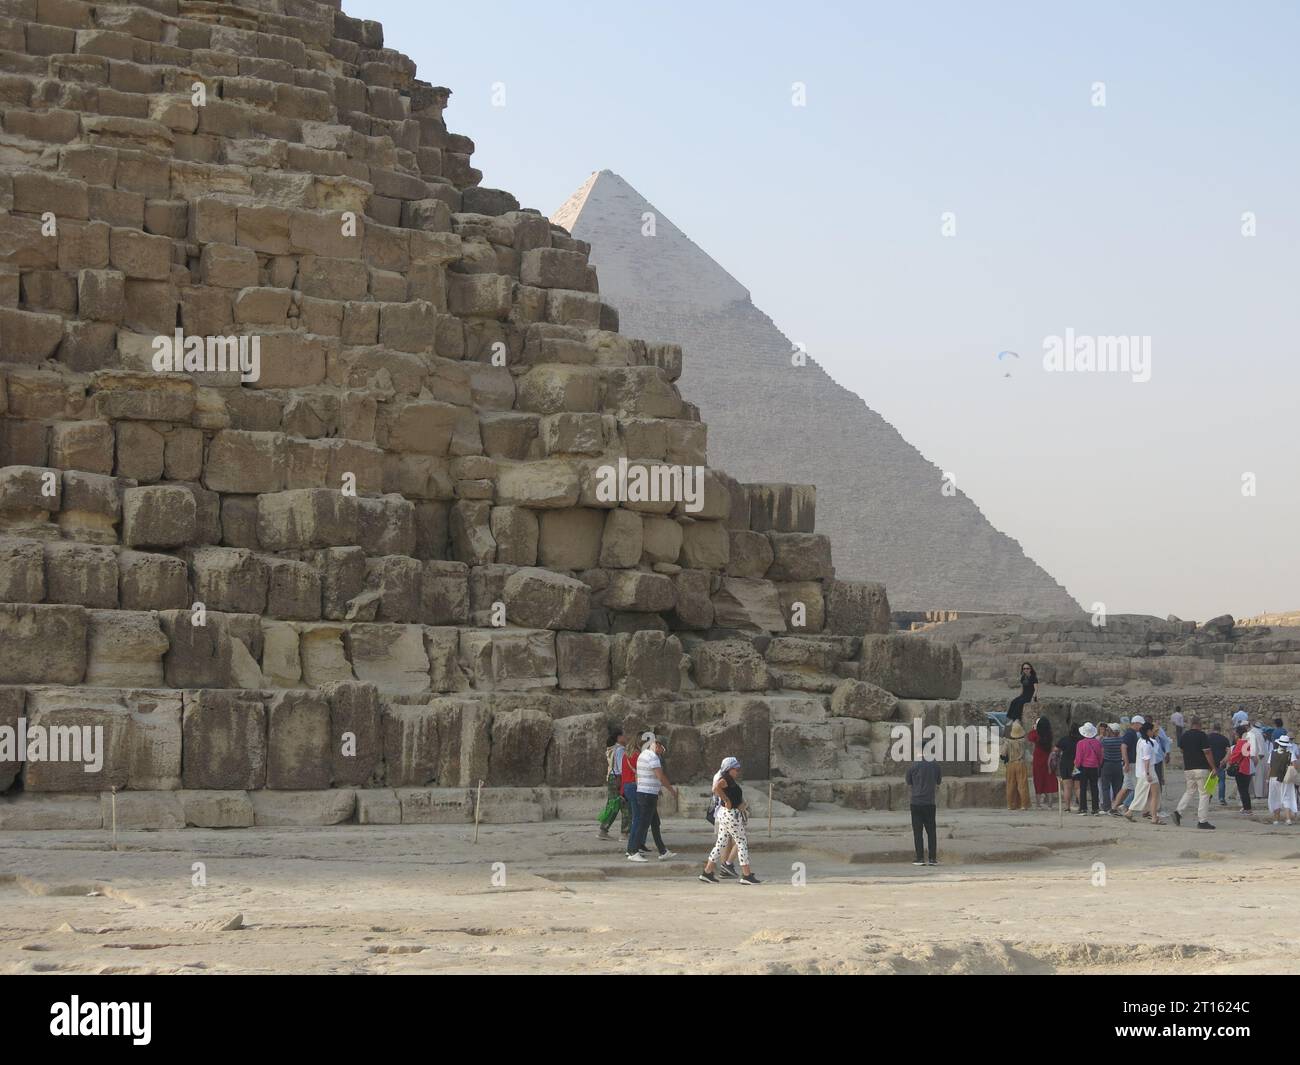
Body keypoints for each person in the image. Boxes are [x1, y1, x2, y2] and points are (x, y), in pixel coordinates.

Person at [699, 757, 761, 884]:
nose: (738, 771)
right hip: (730, 815)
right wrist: (726, 800)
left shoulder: (729, 779)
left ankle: (707, 872)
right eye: (736, 768)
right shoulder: (726, 778)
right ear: (729, 769)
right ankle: (746, 875)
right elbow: (716, 788)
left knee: (721, 843)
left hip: (726, 815)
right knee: (741, 842)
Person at [626, 734, 678, 862]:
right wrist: (671, 790)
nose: (662, 752)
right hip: (648, 795)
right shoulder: (653, 757)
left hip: (646, 792)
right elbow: (660, 776)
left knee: (655, 823)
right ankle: (633, 851)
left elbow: (639, 776)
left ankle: (663, 850)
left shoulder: (643, 755)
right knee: (642, 824)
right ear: (658, 745)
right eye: (663, 749)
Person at [1173, 715, 1215, 830]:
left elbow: (1182, 750)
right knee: (1204, 794)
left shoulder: (1184, 735)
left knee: (1189, 791)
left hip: (1188, 769)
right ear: (1199, 724)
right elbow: (1207, 752)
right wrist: (1213, 767)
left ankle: (1178, 812)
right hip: (1201, 768)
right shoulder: (1202, 735)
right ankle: (1202, 821)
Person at [905, 754, 942, 865]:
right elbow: (938, 781)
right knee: (931, 832)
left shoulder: (913, 765)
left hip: (916, 802)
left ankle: (920, 858)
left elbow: (909, 782)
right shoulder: (935, 765)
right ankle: (932, 859)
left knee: (918, 832)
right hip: (929, 802)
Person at [1125, 720, 1165, 825]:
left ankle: (1131, 811)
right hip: (1148, 771)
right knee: (1155, 794)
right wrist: (1148, 774)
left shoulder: (1141, 741)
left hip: (1142, 771)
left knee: (1144, 793)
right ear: (1148, 731)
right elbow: (1147, 759)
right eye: (1152, 731)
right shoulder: (1147, 744)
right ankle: (1153, 817)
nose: (1153, 732)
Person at [598, 728, 628, 840]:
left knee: (613, 804)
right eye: (624, 736)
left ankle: (603, 830)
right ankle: (625, 833)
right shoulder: (620, 750)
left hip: (611, 778)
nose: (626, 738)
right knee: (625, 804)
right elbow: (621, 768)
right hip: (618, 778)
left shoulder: (611, 749)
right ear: (619, 738)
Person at [1110, 716, 1143, 816]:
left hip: (1130, 763)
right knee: (1138, 788)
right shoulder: (1130, 734)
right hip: (1131, 763)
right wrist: (1127, 762)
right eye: (1141, 725)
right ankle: (1125, 805)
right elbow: (1123, 747)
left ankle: (1114, 807)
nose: (1141, 727)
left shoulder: (1131, 733)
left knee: (1125, 787)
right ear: (1136, 723)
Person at [1026, 716, 1057, 809]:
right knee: (1049, 780)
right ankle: (1050, 804)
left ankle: (1038, 804)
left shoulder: (1036, 735)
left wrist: (1034, 729)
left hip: (1038, 759)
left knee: (1038, 781)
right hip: (1048, 760)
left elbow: (1029, 737)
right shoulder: (1049, 734)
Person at [1266, 735, 1297, 826]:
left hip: (1274, 778)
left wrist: (1267, 779)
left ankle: (1276, 820)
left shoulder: (1273, 753)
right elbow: (1294, 766)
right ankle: (1288, 819)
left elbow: (1270, 767)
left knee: (1275, 798)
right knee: (1286, 797)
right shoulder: (1290, 753)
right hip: (1285, 779)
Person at [1075, 723, 1103, 816]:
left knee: (1083, 787)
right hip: (1094, 767)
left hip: (1083, 767)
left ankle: (1083, 808)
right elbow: (1100, 755)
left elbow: (1079, 757)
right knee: (1094, 788)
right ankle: (1095, 808)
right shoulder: (1097, 742)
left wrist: (1077, 766)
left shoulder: (1080, 743)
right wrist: (1099, 763)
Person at [1002, 720, 1031, 810]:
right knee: (1022, 785)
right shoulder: (1023, 742)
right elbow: (1027, 755)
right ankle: (1024, 805)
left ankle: (1011, 805)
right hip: (1021, 764)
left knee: (1010, 785)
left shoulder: (1007, 742)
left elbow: (1002, 754)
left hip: (1011, 764)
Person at [1228, 725, 1254, 816]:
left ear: (1238, 734)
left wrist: (1230, 760)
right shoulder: (1247, 743)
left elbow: (1236, 755)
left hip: (1240, 769)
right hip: (1246, 767)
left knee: (1242, 790)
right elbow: (1246, 754)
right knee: (1245, 789)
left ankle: (1247, 809)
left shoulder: (1241, 743)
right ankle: (1246, 807)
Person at [1099, 723, 1125, 813]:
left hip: (1107, 764)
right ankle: (1116, 805)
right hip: (1118, 764)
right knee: (1117, 786)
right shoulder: (1121, 740)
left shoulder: (1105, 741)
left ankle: (1106, 806)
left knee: (1105, 787)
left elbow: (1100, 749)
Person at [1054, 724, 1079, 813]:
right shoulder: (1080, 740)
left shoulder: (1064, 739)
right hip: (1077, 765)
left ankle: (1067, 807)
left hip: (1065, 764)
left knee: (1067, 787)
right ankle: (1081, 806)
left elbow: (1056, 749)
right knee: (1077, 787)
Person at [1207, 722, 1232, 807]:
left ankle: (1208, 797)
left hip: (1210, 763)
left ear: (1213, 729)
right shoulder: (1224, 739)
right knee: (1221, 781)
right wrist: (1224, 760)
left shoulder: (1208, 738)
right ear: (1220, 730)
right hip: (1221, 763)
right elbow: (1229, 751)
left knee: (1211, 780)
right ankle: (1221, 798)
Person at [1249, 720, 1269, 800]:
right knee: (1258, 776)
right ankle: (1258, 793)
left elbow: (1261, 751)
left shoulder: (1256, 733)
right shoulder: (1257, 733)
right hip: (1258, 758)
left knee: (1258, 776)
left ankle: (1258, 794)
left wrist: (1256, 758)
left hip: (1259, 758)